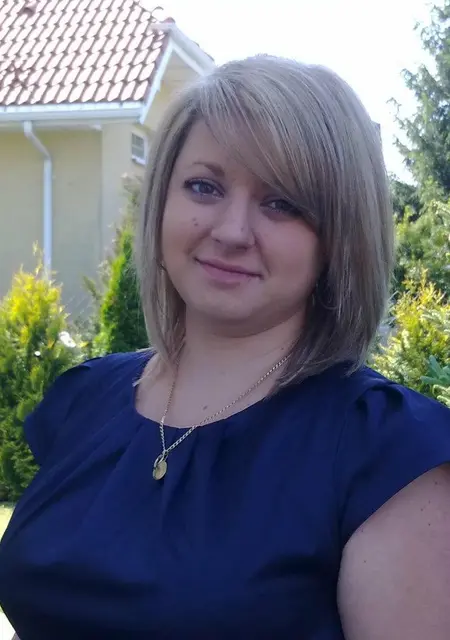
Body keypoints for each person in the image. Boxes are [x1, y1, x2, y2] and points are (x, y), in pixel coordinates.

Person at [0, 54, 449, 640]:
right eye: (204, 187)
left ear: (340, 238)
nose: (232, 231)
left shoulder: (388, 452)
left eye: (282, 203)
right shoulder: (84, 401)